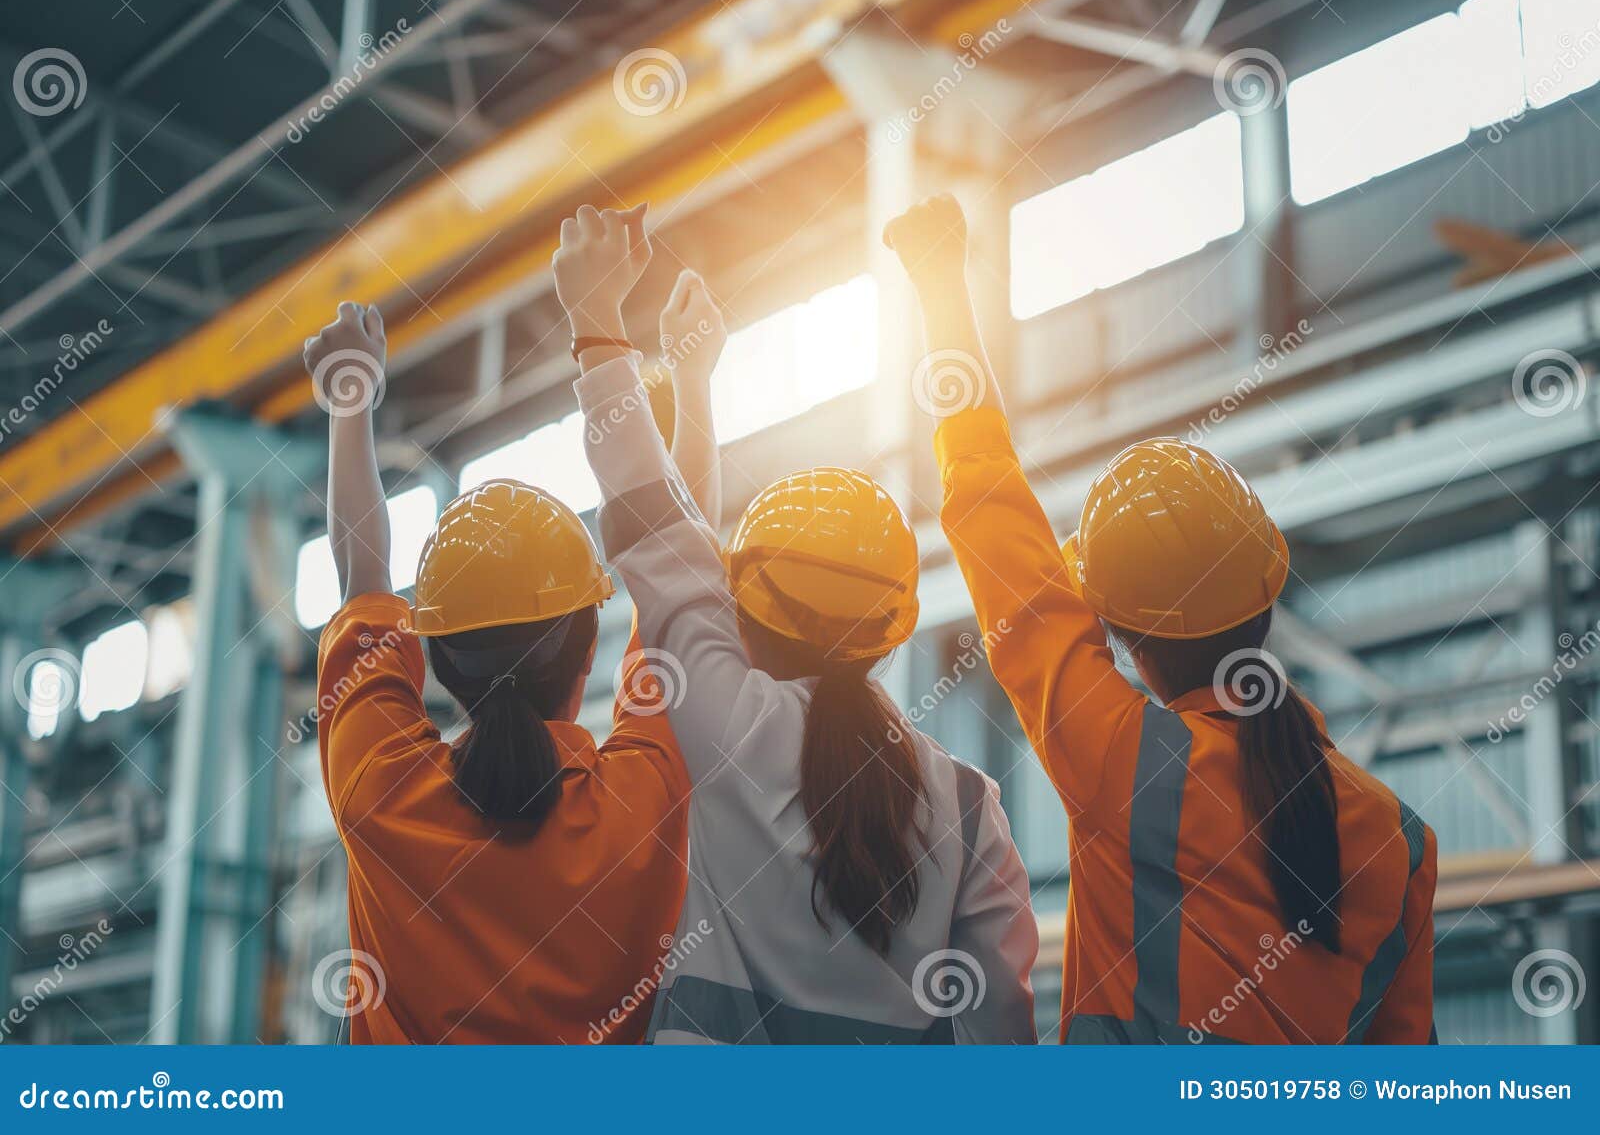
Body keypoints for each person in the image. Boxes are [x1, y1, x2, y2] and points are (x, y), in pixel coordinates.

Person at [883, 193, 1438, 1045]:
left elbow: (992, 510)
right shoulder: (1401, 839)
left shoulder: (1126, 763)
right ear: (1265, 596)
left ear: (1122, 638)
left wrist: (940, 286)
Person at [551, 203, 1038, 1044]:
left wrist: (601, 325)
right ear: (892, 632)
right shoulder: (968, 805)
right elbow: (1001, 1036)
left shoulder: (723, 719)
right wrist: (614, 334)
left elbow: (659, 527)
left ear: (742, 611)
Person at [304, 285, 714, 1043]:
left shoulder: (380, 790)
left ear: (434, 658)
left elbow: (363, 577)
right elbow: (682, 563)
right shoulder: (643, 796)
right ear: (589, 650)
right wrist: (693, 380)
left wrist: (349, 402)